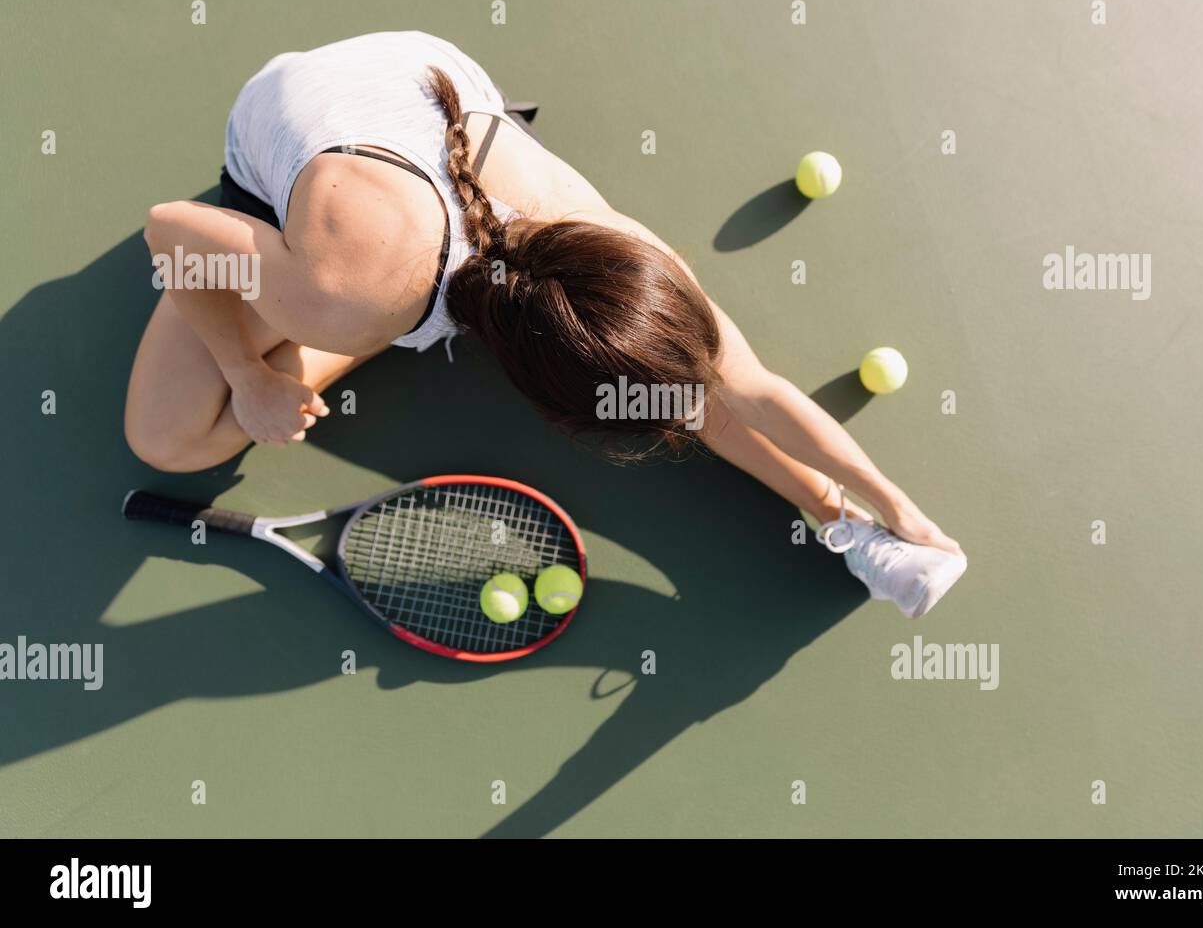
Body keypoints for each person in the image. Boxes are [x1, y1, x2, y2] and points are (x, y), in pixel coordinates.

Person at [124, 32, 966, 617]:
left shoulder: (617, 254)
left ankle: (843, 527)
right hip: (302, 151)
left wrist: (887, 510)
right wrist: (249, 375)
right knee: (175, 439)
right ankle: (349, 320)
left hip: (433, 90)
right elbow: (169, 231)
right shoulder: (339, 294)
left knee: (681, 378)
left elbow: (746, 391)